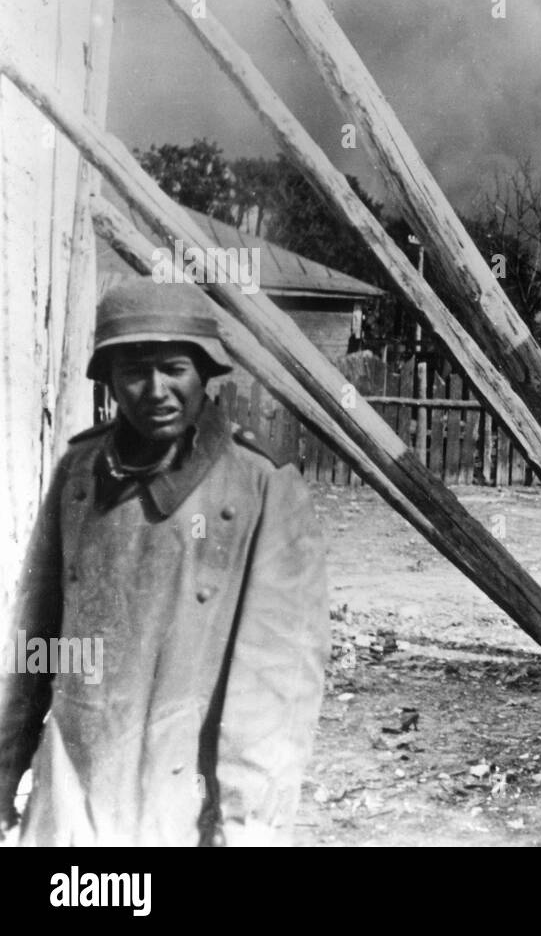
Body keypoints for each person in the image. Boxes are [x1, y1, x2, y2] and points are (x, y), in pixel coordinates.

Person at [0, 281, 329, 846]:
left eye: (174, 368)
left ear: (205, 372)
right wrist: (4, 770)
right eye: (134, 371)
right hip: (74, 790)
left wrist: (247, 825)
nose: (155, 390)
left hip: (185, 795)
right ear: (108, 379)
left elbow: (277, 678)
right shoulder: (80, 472)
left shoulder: (261, 485)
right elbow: (38, 641)